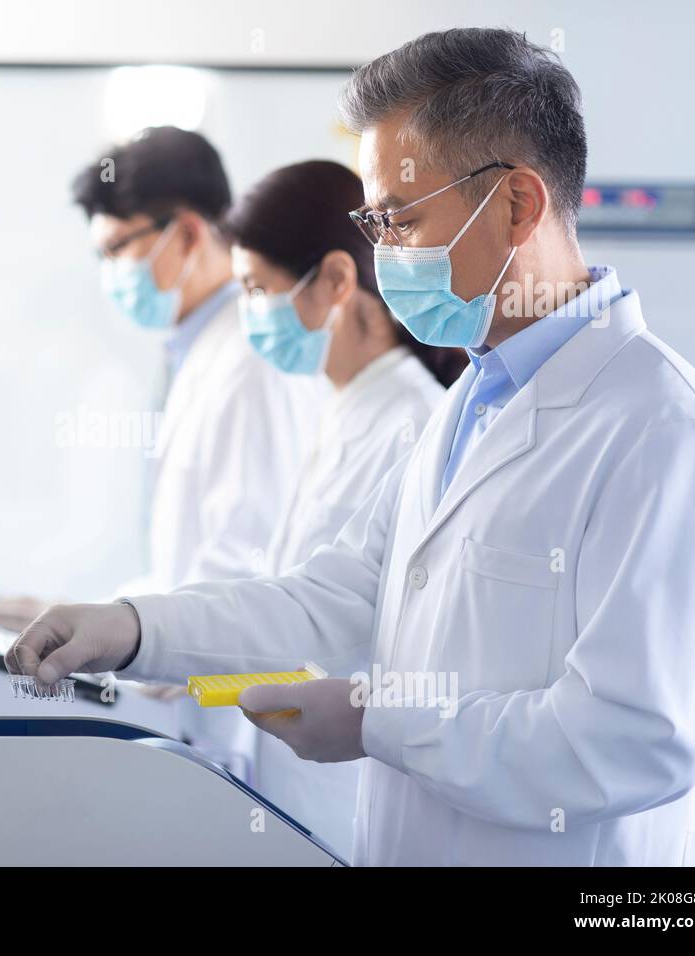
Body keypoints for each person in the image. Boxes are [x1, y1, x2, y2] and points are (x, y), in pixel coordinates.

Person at [8, 28, 695, 866]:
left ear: (518, 204)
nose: (382, 252)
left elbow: (637, 736)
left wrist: (380, 722)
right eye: (374, 222)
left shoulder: (662, 429)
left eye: (400, 219)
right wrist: (132, 626)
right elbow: (329, 598)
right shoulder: (470, 405)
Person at [0, 127, 323, 775]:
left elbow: (244, 565)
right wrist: (93, 615)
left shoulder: (253, 359)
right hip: (199, 709)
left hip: (239, 724)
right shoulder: (199, 353)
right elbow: (192, 557)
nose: (112, 273)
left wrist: (131, 631)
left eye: (119, 247)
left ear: (191, 234)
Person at [223, 158, 463, 850]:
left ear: (335, 280)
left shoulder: (413, 423)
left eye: (256, 290)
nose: (250, 315)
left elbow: (344, 623)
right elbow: (294, 596)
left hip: (347, 797)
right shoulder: (343, 410)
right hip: (296, 789)